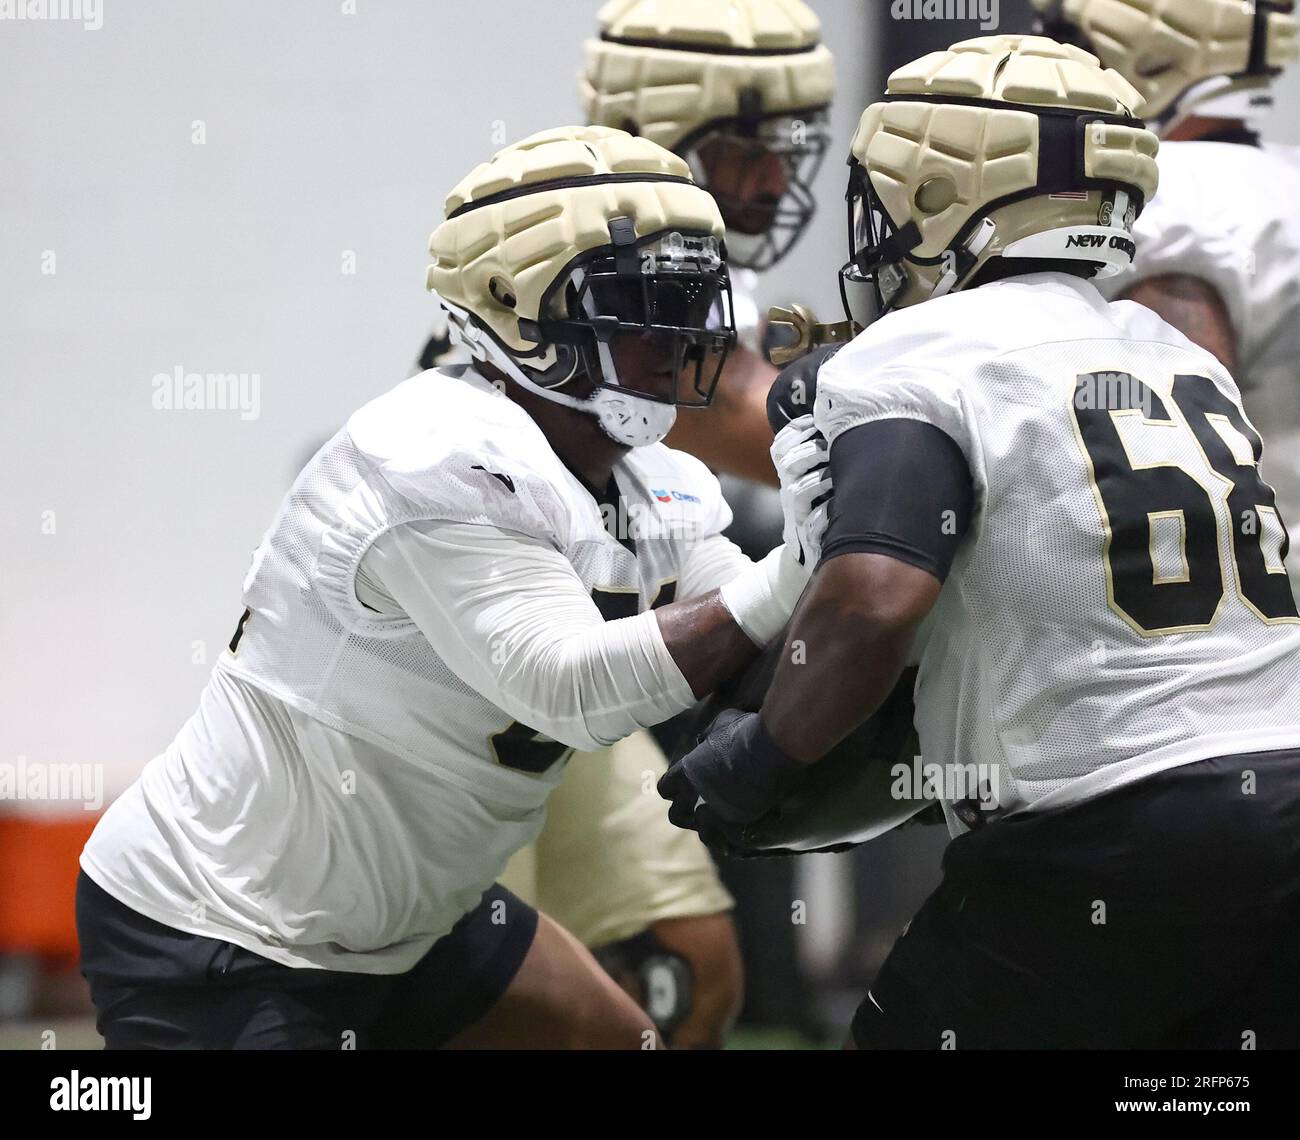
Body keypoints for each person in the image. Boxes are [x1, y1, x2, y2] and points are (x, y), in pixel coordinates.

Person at [75, 125, 830, 1049]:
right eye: (641, 304)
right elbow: (572, 686)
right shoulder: (432, 457)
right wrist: (802, 564)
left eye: (689, 302)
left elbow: (749, 641)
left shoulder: (645, 474)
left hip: (413, 923)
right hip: (225, 926)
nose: (678, 336)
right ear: (520, 310)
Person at [662, 35, 1300, 1049]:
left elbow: (873, 595)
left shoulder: (922, 348)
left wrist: (766, 753)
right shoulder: (1174, 353)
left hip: (1109, 828)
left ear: (936, 189)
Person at [419, 0, 839, 1044]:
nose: (775, 183)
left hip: (588, 639)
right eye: (746, 149)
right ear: (671, 130)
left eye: (786, 149)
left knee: (690, 967)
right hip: (464, 689)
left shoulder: (695, 264)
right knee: (449, 1006)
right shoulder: (583, 248)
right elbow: (749, 412)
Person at [1033, 0, 1300, 588]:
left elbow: (1165, 460)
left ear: (1155, 55)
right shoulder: (1282, 178)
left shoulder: (1174, 198)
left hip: (1235, 637)